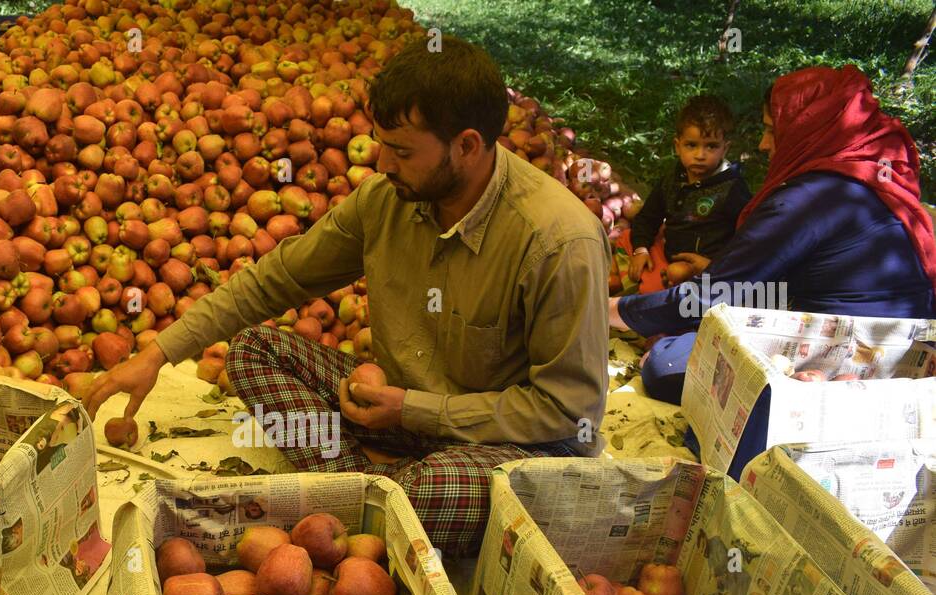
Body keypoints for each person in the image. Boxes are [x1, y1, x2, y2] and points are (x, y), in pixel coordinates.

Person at [86, 37, 610, 555]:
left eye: (402, 151)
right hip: (399, 415)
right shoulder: (387, 200)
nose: (382, 162)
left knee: (432, 489)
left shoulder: (560, 242)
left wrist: (414, 410)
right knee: (253, 351)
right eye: (380, 142)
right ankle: (364, 488)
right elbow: (277, 278)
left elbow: (566, 410)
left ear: (468, 146)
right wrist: (157, 354)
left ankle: (370, 493)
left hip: (511, 442)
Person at [610, 65, 936, 408]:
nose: (764, 144)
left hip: (849, 350)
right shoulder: (865, 173)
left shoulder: (804, 200)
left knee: (665, 365)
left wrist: (616, 310)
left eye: (771, 130)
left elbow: (712, 294)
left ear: (805, 129)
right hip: (906, 340)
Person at [625, 95, 751, 289]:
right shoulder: (671, 180)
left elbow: (746, 237)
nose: (700, 155)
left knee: (667, 283)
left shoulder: (732, 188)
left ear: (725, 149)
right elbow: (648, 218)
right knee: (626, 238)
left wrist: (713, 265)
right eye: (691, 145)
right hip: (668, 255)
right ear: (678, 146)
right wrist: (641, 250)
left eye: (711, 146)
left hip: (706, 267)